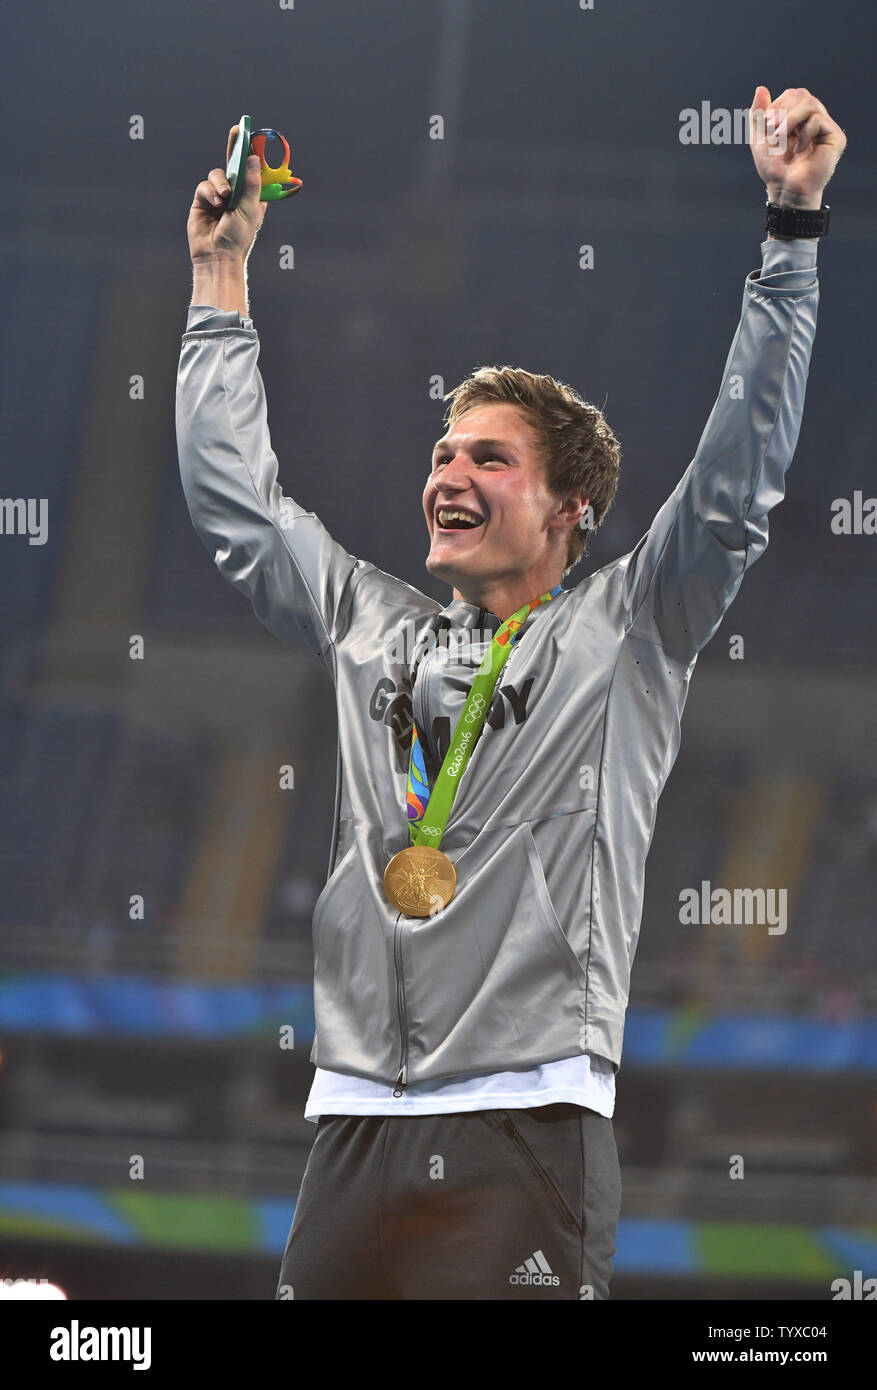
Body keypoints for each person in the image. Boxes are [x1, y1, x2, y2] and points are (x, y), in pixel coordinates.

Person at [176, 87, 846, 1300]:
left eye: (490, 457)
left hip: (525, 1119)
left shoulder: (631, 628)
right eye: (442, 452)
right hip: (351, 1122)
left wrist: (789, 234)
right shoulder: (363, 622)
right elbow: (237, 506)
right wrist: (219, 285)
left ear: (567, 511)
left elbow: (736, 477)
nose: (449, 472)